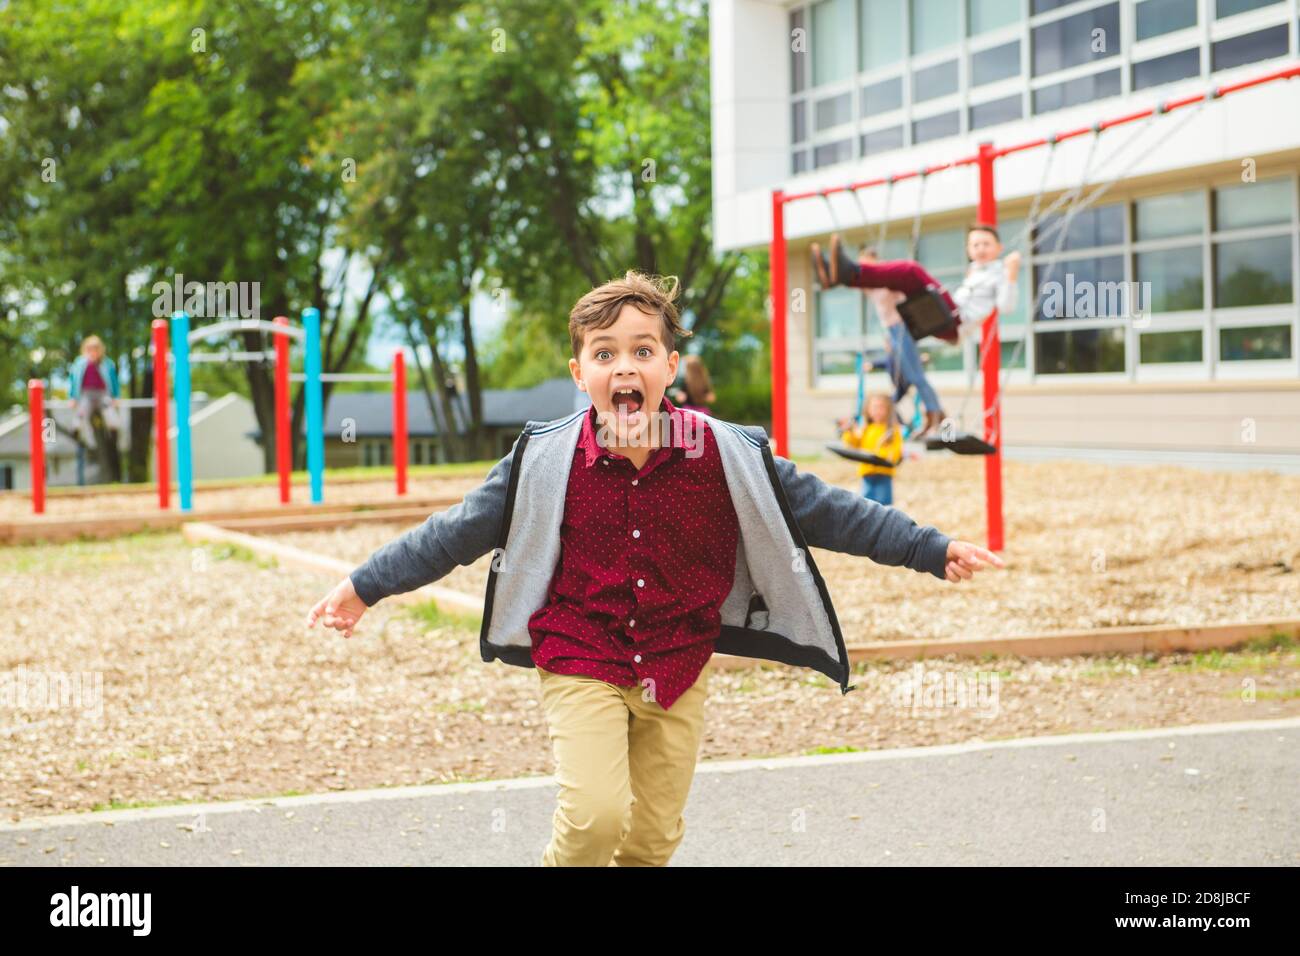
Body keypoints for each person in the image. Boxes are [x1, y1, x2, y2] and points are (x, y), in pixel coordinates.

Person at [305, 270, 1003, 867]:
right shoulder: (543, 460)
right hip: (579, 651)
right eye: (604, 354)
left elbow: (830, 511)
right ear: (580, 374)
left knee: (652, 837)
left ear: (672, 366)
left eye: (643, 350)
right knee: (595, 820)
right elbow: (452, 533)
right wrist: (364, 585)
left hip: (678, 656)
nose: (625, 367)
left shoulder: (724, 454)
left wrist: (929, 548)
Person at [839, 393, 903, 506]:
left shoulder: (892, 430)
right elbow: (853, 444)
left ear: (888, 410)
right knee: (866, 504)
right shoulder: (866, 429)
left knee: (883, 506)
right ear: (868, 410)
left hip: (883, 473)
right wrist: (848, 432)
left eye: (881, 407)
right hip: (867, 474)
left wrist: (880, 454)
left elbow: (896, 452)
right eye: (874, 407)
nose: (877, 411)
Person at [68, 335, 121, 446]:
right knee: (82, 410)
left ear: (100, 350)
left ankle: (113, 429)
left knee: (108, 408)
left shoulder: (106, 363)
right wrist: (72, 397)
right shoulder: (80, 363)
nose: (93, 352)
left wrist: (116, 396)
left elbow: (114, 381)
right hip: (86, 394)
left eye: (95, 349)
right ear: (85, 350)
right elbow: (74, 381)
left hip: (102, 393)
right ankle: (77, 430)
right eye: (90, 349)